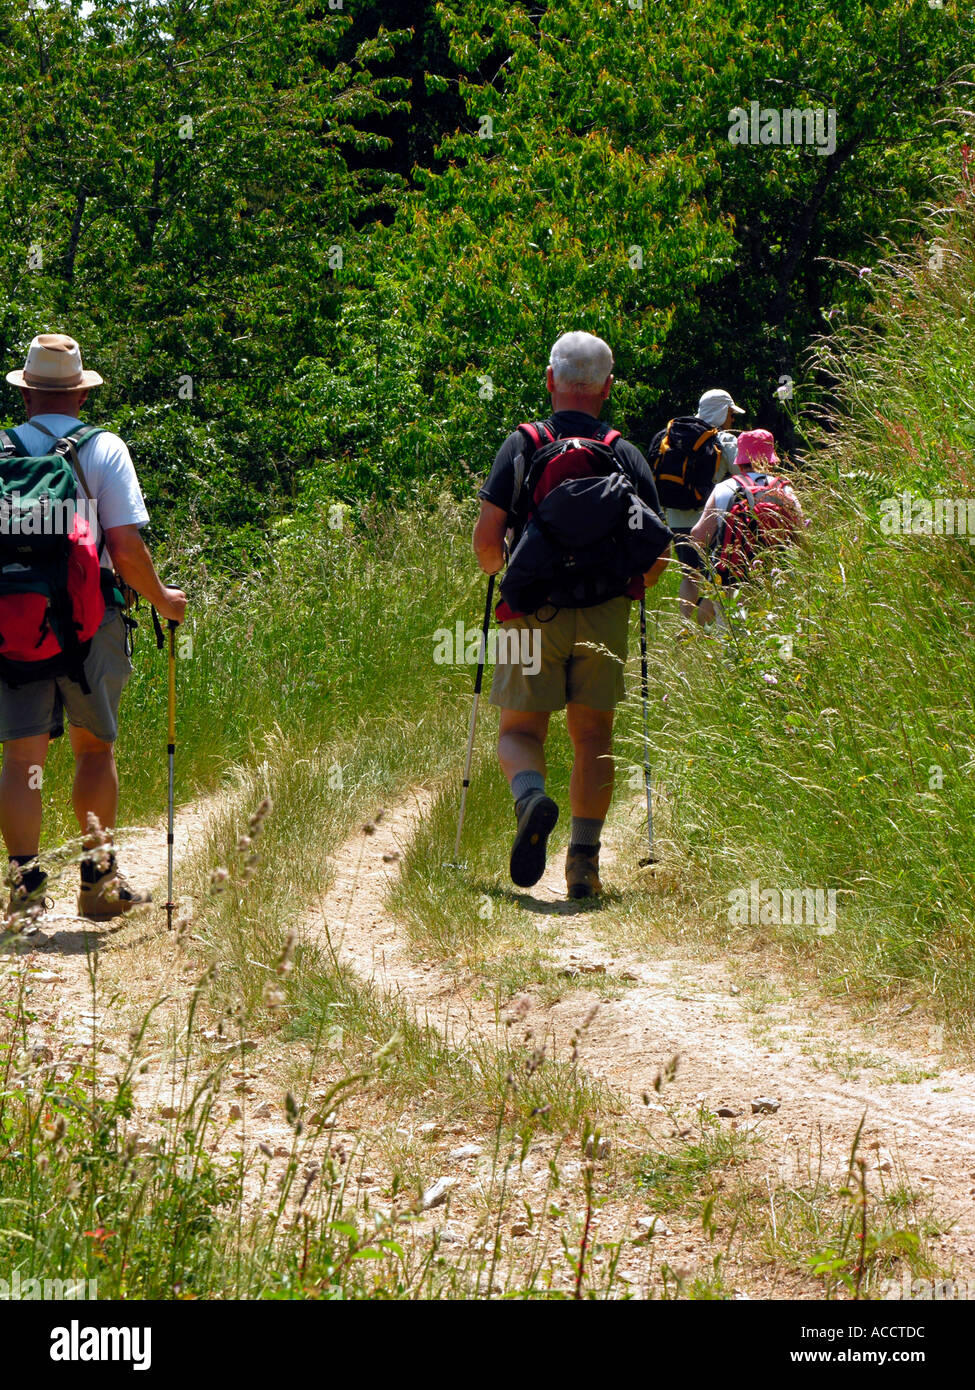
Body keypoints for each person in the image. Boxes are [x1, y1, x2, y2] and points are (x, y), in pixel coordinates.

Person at [473, 331, 670, 900]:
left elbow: (488, 546)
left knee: (518, 731)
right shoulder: (625, 453)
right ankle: (583, 862)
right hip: (605, 613)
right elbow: (657, 556)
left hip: (532, 609)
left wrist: (505, 568)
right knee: (594, 737)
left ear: (551, 380)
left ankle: (532, 797)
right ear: (607, 388)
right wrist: (627, 588)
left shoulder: (523, 444)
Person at [0, 334, 186, 928]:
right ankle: (97, 883)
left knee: (23, 757)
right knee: (94, 750)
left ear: (26, 393)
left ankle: (23, 891)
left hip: (14, 622)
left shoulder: (0, 451)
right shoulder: (103, 450)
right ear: (81, 394)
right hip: (89, 621)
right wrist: (163, 600)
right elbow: (125, 548)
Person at [690, 427, 803, 623]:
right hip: (777, 578)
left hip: (732, 581)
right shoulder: (784, 489)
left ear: (740, 461)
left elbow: (698, 536)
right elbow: (802, 533)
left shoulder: (724, 489)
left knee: (732, 641)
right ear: (771, 460)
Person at [664, 389, 743, 627]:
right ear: (722, 412)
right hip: (709, 519)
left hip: (676, 517)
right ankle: (704, 632)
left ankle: (685, 630)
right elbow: (743, 475)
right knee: (717, 579)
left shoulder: (675, 435)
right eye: (731, 413)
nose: (732, 420)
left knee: (690, 575)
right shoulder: (724, 439)